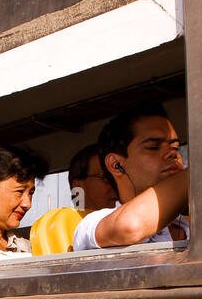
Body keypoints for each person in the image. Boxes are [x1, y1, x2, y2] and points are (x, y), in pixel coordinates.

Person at [71, 102, 189, 251]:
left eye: (175, 147)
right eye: (153, 147)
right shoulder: (91, 226)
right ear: (115, 164)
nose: (173, 154)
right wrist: (200, 170)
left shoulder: (191, 226)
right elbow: (130, 226)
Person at [68, 143, 117, 212]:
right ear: (77, 186)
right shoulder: (63, 222)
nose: (115, 186)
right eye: (105, 178)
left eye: (115, 179)